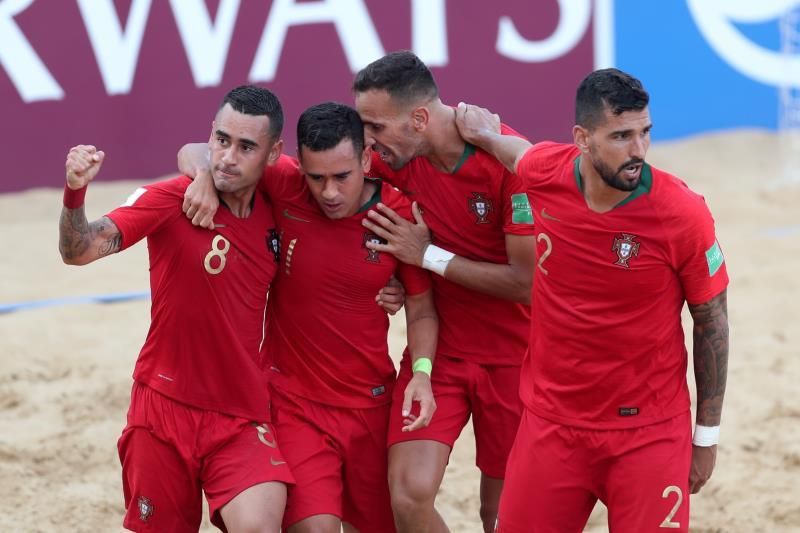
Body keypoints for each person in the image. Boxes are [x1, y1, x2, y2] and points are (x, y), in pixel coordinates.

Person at [455, 68, 730, 533]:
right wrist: (484, 133)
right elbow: (516, 153)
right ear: (582, 139)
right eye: (621, 136)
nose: (638, 150)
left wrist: (705, 438)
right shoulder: (548, 172)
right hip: (551, 425)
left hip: (648, 434)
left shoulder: (682, 213)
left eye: (644, 132)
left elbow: (713, 323)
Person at [179, 102, 439, 533]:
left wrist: (423, 372)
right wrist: (205, 177)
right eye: (316, 178)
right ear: (298, 164)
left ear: (365, 159)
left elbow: (423, 308)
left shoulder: (396, 213)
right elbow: (194, 150)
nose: (329, 192)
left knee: (407, 520)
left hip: (371, 404)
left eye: (342, 177)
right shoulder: (285, 183)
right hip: (294, 404)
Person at [58, 86, 293, 532]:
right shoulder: (173, 198)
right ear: (211, 134)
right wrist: (75, 191)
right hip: (162, 410)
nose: (228, 157)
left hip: (242, 414)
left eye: (246, 147)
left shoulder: (281, 208)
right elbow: (80, 250)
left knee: (261, 528)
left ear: (273, 153)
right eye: (221, 140)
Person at [352, 51, 537, 533]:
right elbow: (312, 179)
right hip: (439, 353)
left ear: (418, 119)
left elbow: (528, 284)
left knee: (500, 516)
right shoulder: (395, 157)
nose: (367, 140)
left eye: (375, 126)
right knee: (407, 498)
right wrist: (388, 277)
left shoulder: (506, 160)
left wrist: (426, 257)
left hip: (515, 358)